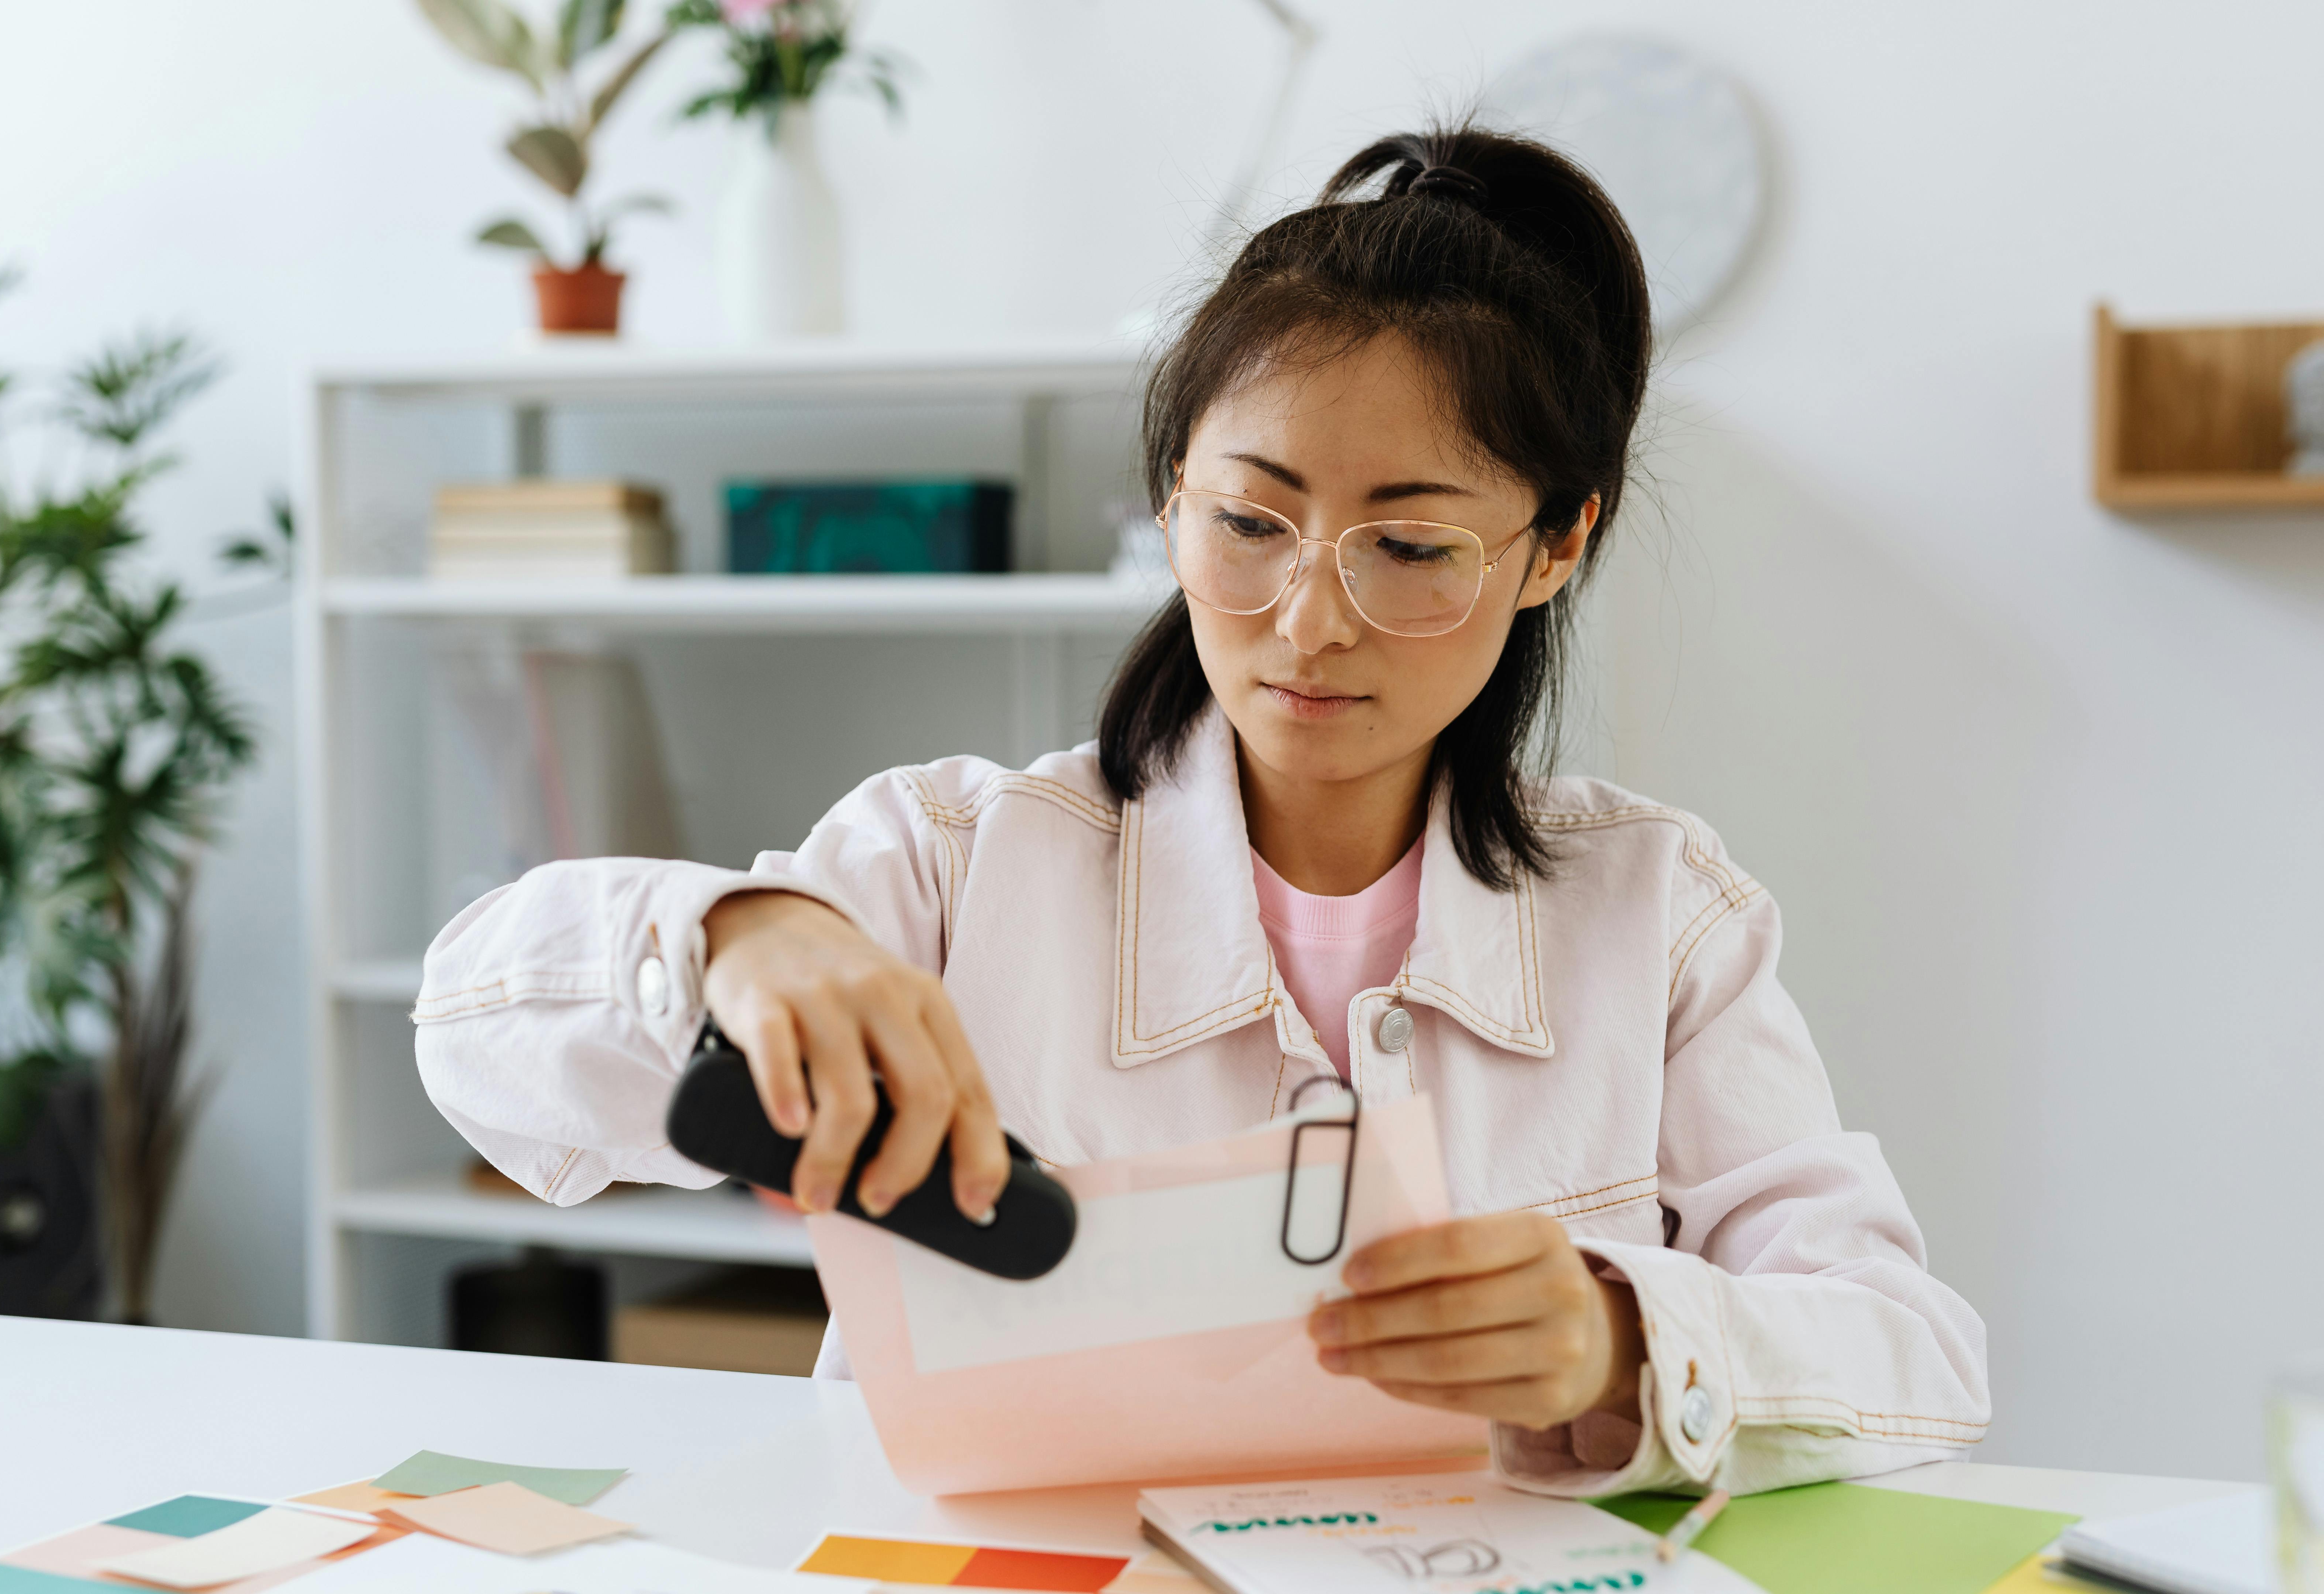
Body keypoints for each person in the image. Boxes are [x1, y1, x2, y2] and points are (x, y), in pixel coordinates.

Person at [414, 125, 1989, 1496]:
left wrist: (1625, 1337)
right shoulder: (955, 864)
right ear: (1170, 493)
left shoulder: (1660, 918)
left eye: (1411, 549)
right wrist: (739, 940)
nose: (1310, 620)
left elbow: (1914, 1358)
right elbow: (472, 1039)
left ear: (1557, 545)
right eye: (1249, 521)